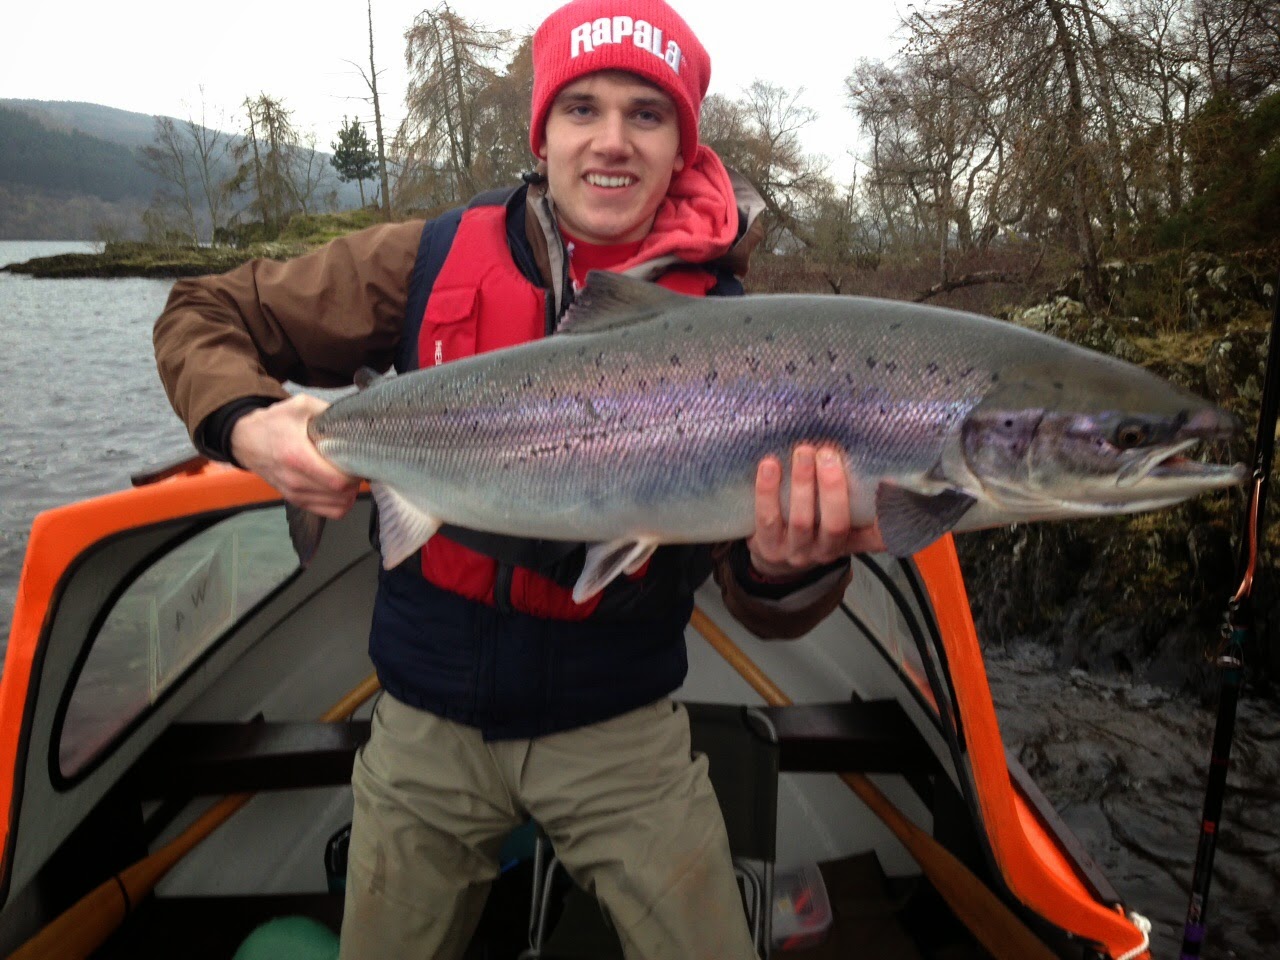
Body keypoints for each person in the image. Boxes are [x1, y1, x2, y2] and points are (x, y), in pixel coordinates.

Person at [154, 0, 883, 956]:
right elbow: (202, 312)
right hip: (421, 725)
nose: (611, 142)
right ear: (542, 135)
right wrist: (246, 423)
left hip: (623, 730)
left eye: (646, 114)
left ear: (682, 147)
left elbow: (758, 597)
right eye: (582, 109)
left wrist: (790, 570)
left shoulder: (742, 335)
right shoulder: (423, 257)